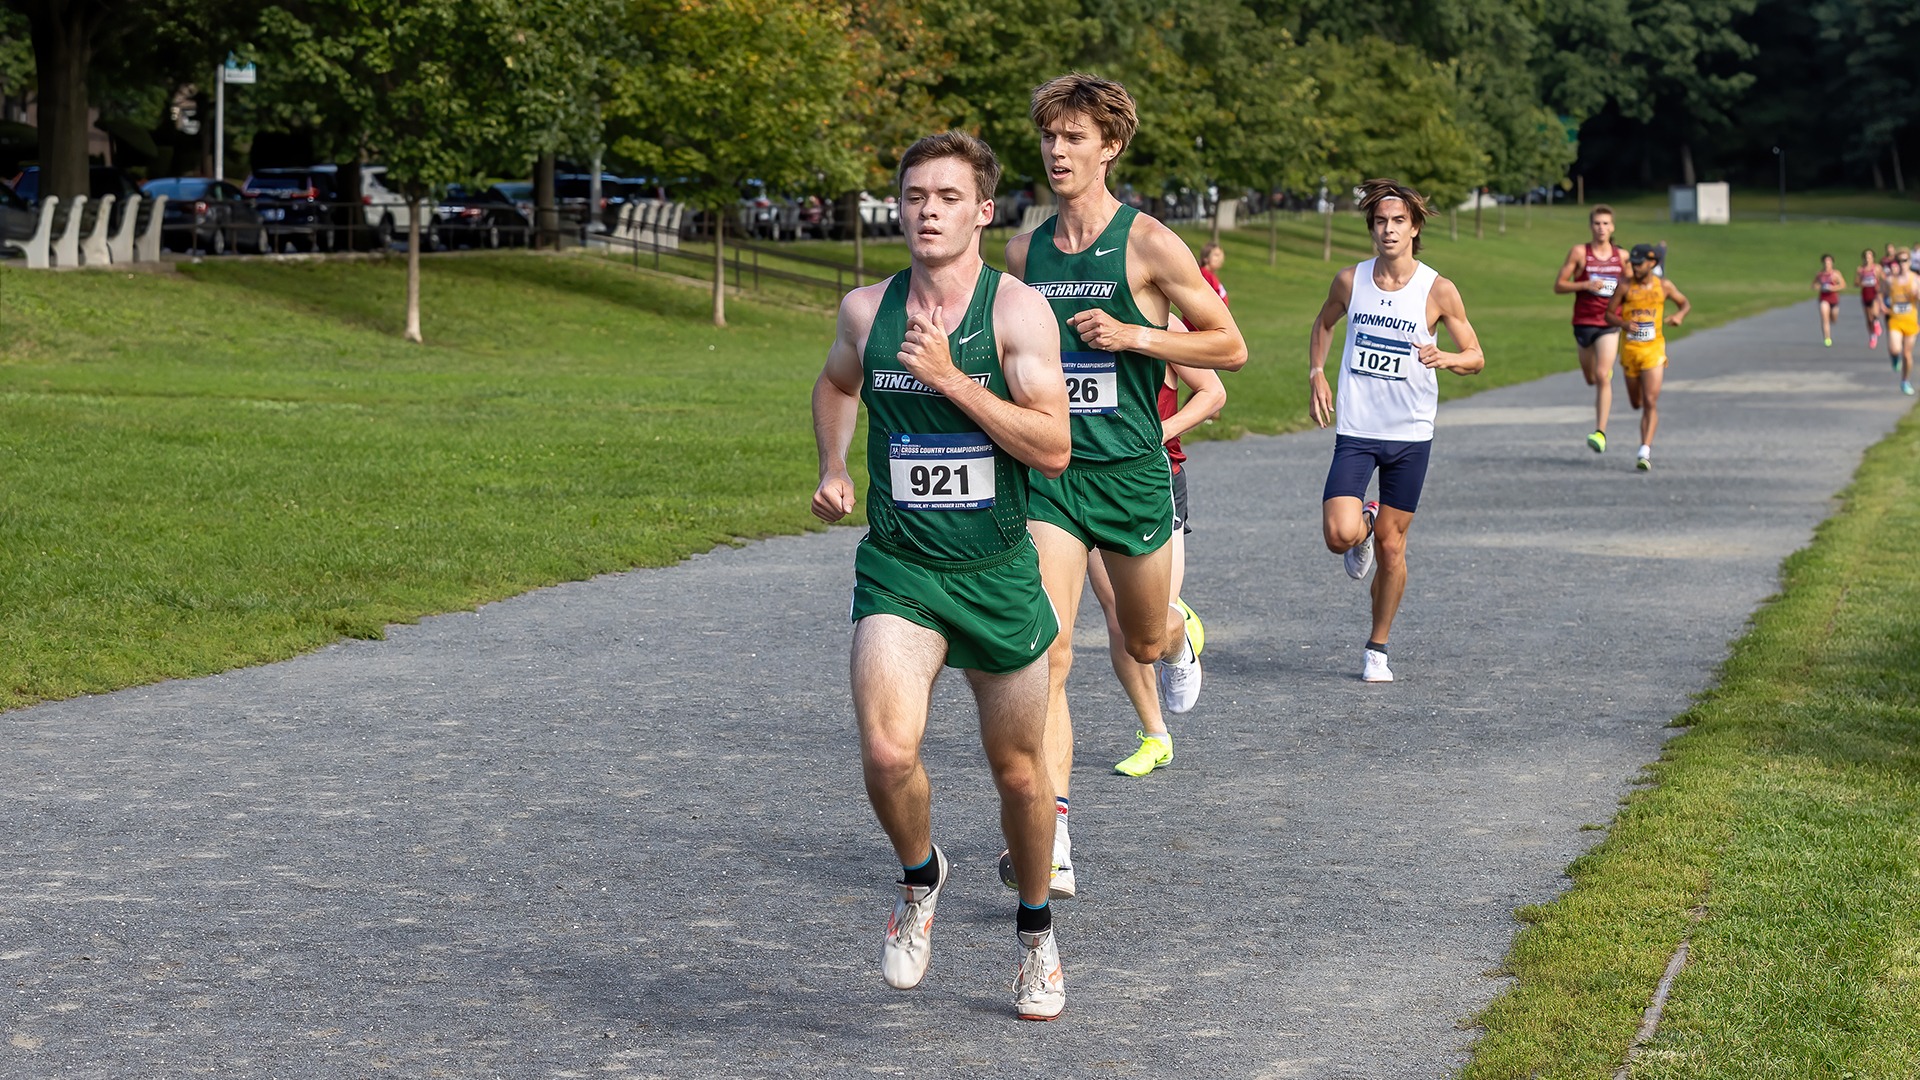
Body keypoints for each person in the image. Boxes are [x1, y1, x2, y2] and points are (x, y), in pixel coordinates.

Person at [809, 131, 1073, 1020]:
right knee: (888, 752)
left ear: (983, 211)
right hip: (902, 568)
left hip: (997, 573)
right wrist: (834, 466)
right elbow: (836, 385)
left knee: (1022, 777)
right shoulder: (865, 310)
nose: (928, 211)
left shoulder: (1018, 313)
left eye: (949, 197)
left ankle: (1035, 936)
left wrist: (954, 380)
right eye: (915, 195)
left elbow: (1054, 448)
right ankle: (921, 879)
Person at [1003, 72, 1247, 898]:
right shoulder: (1023, 252)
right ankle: (1054, 834)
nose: (1057, 150)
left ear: (1109, 147)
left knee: (1140, 639)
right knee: (1049, 651)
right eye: (1049, 136)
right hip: (1053, 477)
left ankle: (1179, 637)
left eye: (1074, 137)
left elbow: (1229, 347)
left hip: (1133, 474)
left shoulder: (1148, 243)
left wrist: (1135, 336)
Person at [1308, 178, 1484, 683]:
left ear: (1415, 228)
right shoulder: (1351, 281)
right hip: (1358, 429)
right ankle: (1364, 521)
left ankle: (1377, 649)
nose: (1388, 229)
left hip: (1410, 434)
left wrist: (1446, 357)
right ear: (1372, 228)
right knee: (1339, 535)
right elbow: (1324, 324)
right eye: (1381, 221)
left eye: (1398, 221)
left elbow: (1476, 356)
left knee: (1392, 547)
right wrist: (1317, 372)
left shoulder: (1438, 289)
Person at [1091, 344, 1226, 777]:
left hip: (1151, 481)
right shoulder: (1055, 316)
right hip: (1082, 482)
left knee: (1145, 628)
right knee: (1117, 616)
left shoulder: (1158, 324)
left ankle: (1176, 629)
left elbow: (1212, 393)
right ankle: (1155, 735)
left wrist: (1156, 432)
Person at [1605, 243, 1691, 469]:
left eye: (1639, 264)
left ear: (1652, 263)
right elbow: (1608, 315)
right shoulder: (1625, 286)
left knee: (1650, 401)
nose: (1635, 267)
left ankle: (1644, 450)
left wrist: (1679, 316)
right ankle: (1645, 413)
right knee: (1637, 403)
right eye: (1632, 263)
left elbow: (1684, 304)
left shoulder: (1664, 286)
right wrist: (1624, 324)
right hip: (1631, 351)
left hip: (1654, 350)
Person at [1553, 204, 1623, 454]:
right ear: (1591, 226)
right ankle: (1601, 374)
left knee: (1603, 375)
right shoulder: (1580, 253)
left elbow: (1631, 286)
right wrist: (1585, 285)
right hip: (1584, 322)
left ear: (1612, 227)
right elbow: (1559, 285)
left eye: (1606, 224)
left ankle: (1600, 432)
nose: (1601, 228)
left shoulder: (1622, 257)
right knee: (1591, 377)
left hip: (1609, 323)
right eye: (1597, 223)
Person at [1876, 251, 1918, 395]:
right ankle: (1894, 358)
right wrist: (1882, 305)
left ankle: (1905, 381)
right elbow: (1880, 292)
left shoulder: (1915, 279)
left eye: (1905, 260)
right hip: (1895, 320)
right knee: (1895, 349)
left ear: (1910, 262)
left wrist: (1917, 294)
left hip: (1911, 321)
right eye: (1899, 261)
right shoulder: (1890, 280)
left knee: (1907, 354)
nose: (1902, 264)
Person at [1813, 255, 1846, 347]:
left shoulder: (1836, 274)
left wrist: (1833, 288)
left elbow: (1843, 285)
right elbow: (1814, 285)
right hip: (1824, 298)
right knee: (1825, 318)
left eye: (1829, 262)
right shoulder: (1820, 274)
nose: (1827, 264)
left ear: (1832, 263)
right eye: (1825, 263)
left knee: (1834, 318)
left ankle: (1832, 319)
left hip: (1834, 298)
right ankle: (1827, 338)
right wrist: (1820, 287)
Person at [1857, 248, 1883, 350]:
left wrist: (1878, 282)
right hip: (1865, 294)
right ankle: (1872, 336)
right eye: (1866, 257)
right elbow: (1856, 283)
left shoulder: (1877, 268)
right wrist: (1861, 282)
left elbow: (1883, 279)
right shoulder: (1860, 269)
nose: (1867, 259)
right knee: (1868, 318)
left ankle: (1877, 323)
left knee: (1875, 313)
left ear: (1873, 258)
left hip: (1874, 293)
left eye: (1869, 257)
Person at [1198, 241, 1229, 306]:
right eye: (1216, 255)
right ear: (1205, 258)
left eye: (1221, 256)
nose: (1220, 259)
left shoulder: (1211, 275)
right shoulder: (1205, 275)